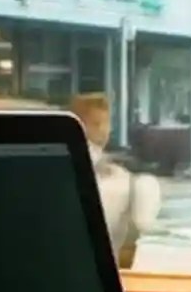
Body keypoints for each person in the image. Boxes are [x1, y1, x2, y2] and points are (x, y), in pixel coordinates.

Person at [69, 94, 162, 269]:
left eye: (106, 123)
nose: (104, 130)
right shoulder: (129, 182)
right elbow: (144, 223)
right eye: (97, 124)